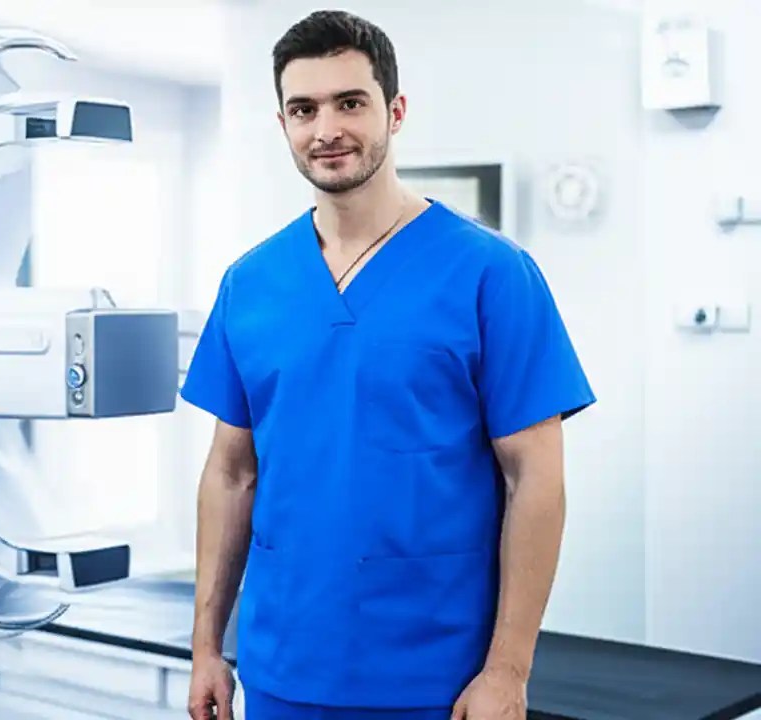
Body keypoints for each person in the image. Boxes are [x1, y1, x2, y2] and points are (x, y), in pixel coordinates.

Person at [180, 10, 595, 720]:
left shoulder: (491, 274)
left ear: (394, 111)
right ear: (281, 123)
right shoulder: (250, 283)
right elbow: (232, 471)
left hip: (436, 676)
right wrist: (207, 646)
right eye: (303, 109)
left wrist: (507, 670)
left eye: (351, 102)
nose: (326, 129)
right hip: (281, 669)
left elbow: (537, 477)